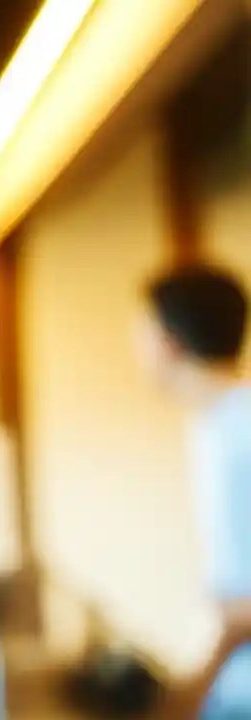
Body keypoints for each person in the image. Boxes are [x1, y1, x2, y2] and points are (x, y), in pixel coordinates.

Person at [136, 264, 251, 718]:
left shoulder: (234, 433)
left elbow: (244, 601)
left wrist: (188, 693)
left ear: (169, 342)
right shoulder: (218, 423)